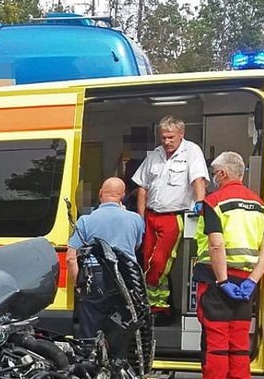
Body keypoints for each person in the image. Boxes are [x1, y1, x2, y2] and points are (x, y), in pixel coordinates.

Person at [186, 151, 264, 379]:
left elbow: (216, 244)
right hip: (245, 283)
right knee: (238, 344)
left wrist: (222, 280)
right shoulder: (259, 205)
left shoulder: (214, 201)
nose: (213, 179)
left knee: (216, 344)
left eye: (214, 174)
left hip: (217, 281)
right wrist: (251, 282)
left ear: (222, 173)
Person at [131, 116, 209, 321]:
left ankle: (158, 306)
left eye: (170, 137)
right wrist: (140, 217)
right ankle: (156, 306)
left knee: (159, 262)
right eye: (163, 137)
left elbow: (198, 178)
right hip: (150, 215)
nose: (166, 141)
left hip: (173, 216)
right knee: (147, 261)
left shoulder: (191, 151)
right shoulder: (155, 155)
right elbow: (142, 186)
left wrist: (201, 203)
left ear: (181, 134)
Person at [67, 177, 145, 339]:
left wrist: (79, 285)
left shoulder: (85, 220)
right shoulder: (136, 219)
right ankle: (118, 359)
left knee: (90, 327)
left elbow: (71, 258)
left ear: (101, 193)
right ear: (122, 196)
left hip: (94, 277)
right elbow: (136, 247)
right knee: (122, 325)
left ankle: (90, 357)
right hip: (125, 278)